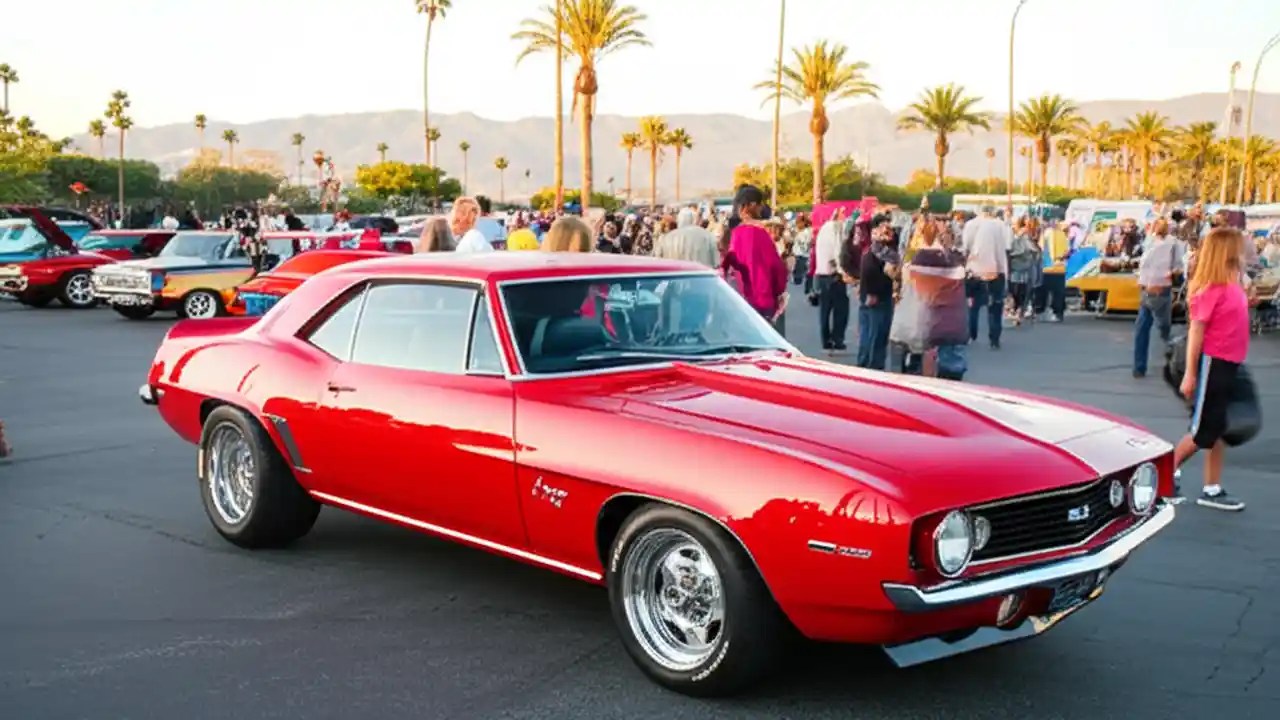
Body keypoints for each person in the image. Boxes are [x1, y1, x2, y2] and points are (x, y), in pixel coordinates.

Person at [1173, 227, 1250, 512]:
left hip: (1230, 364)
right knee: (1203, 430)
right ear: (1226, 253)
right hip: (1213, 363)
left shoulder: (1232, 285)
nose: (1243, 253)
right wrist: (1190, 373)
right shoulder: (1210, 289)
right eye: (1238, 249)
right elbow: (1196, 332)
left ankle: (1212, 487)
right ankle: (1163, 473)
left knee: (1217, 428)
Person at [722, 185, 788, 334]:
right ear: (752, 205)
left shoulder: (731, 234)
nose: (762, 207)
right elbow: (775, 267)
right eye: (760, 204)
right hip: (762, 299)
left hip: (738, 299)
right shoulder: (760, 233)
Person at [1132, 217, 1182, 377]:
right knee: (1142, 328)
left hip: (1161, 288)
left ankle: (1176, 357)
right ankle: (1139, 367)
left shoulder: (1173, 243)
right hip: (1147, 288)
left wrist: (1171, 274)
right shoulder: (1149, 241)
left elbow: (1178, 265)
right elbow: (1143, 262)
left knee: (1163, 327)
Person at [962, 205, 1011, 348]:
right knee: (995, 306)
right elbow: (1008, 246)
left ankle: (972, 332)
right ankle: (994, 338)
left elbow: (966, 246)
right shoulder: (1000, 225)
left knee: (972, 305)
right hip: (996, 269)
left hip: (974, 270)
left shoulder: (971, 225)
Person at [857, 219, 899, 369]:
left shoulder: (869, 249)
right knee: (877, 334)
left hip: (869, 294)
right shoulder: (883, 253)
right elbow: (869, 270)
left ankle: (863, 362)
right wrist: (872, 292)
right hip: (879, 296)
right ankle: (874, 365)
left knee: (866, 332)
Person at [813, 207, 850, 352]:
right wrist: (844, 271)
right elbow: (838, 250)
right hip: (834, 274)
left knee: (825, 309)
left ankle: (825, 339)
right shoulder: (836, 228)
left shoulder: (823, 229)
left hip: (821, 273)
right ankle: (837, 339)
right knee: (841, 309)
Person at [791, 214, 813, 292]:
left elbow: (806, 244)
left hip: (802, 255)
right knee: (799, 270)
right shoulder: (801, 231)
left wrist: (804, 248)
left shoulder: (806, 232)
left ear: (803, 223)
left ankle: (799, 283)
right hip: (799, 254)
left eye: (798, 223)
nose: (797, 225)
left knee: (799, 271)